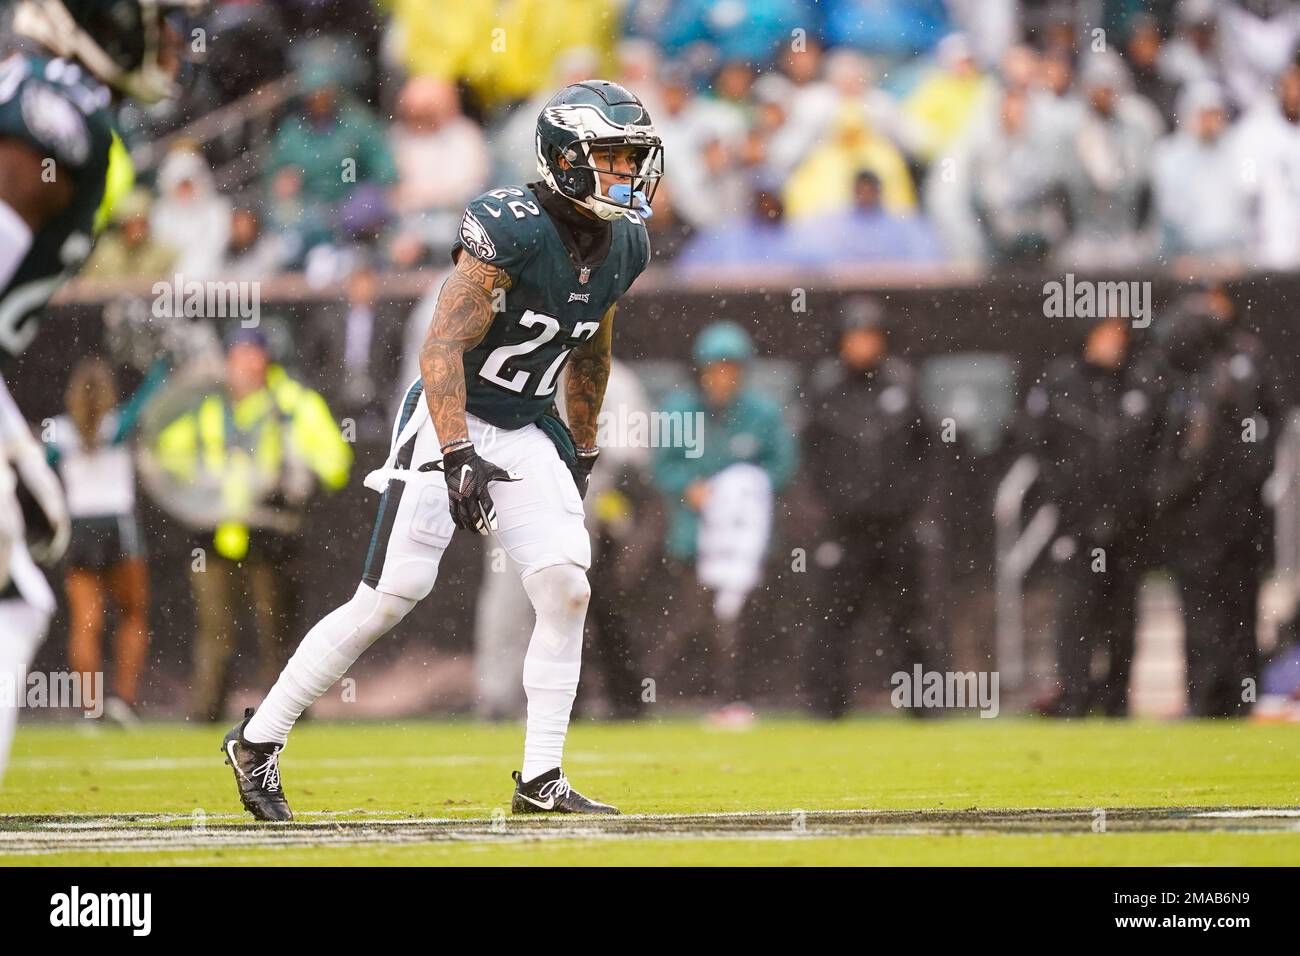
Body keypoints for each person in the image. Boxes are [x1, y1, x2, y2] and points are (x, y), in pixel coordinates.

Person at [221, 80, 662, 820]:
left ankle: (539, 778)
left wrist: (583, 448)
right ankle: (257, 741)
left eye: (633, 159)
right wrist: (455, 449)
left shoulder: (628, 242)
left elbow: (591, 348)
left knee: (566, 586)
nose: (627, 174)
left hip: (525, 424)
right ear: (564, 160)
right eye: (611, 158)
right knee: (389, 598)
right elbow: (442, 344)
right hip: (448, 413)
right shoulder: (511, 227)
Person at [0, 0, 202, 783]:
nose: (175, 44)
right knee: (18, 598)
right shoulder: (53, 112)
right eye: (156, 21)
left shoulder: (59, 102)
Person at [155, 329, 353, 722]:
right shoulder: (206, 404)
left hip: (272, 534)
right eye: (239, 356)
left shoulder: (293, 404)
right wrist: (196, 484)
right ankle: (205, 715)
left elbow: (336, 461)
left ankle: (287, 716)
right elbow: (165, 453)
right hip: (216, 534)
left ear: (267, 360)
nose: (246, 365)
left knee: (276, 636)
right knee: (215, 634)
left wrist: (302, 472)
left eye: (253, 355)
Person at [649, 322, 797, 722]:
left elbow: (782, 465)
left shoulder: (763, 413)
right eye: (715, 369)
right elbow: (663, 467)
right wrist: (690, 487)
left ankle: (734, 696)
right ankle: (668, 690)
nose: (722, 378)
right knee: (695, 616)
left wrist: (744, 488)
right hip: (693, 534)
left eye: (731, 369)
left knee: (739, 617)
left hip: (745, 542)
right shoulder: (679, 411)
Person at [801, 299, 941, 718]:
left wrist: (907, 503)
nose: (863, 345)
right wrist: (835, 505)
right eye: (855, 337)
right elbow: (812, 458)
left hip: (897, 527)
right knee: (833, 621)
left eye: (870, 337)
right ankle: (827, 708)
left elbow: (928, 451)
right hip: (846, 530)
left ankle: (922, 706)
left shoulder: (903, 386)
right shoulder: (825, 393)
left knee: (911, 620)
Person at [1022, 315, 1164, 717]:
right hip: (1076, 524)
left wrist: (1139, 501)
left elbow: (1159, 449)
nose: (1111, 343)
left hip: (1128, 524)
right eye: (1104, 334)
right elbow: (1038, 446)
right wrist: (1067, 498)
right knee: (1076, 614)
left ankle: (1117, 700)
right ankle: (1075, 700)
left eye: (1118, 335)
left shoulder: (1141, 385)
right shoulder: (1060, 385)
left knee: (1123, 617)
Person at [1154, 289, 1287, 716]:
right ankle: (1206, 697)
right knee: (1202, 607)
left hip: (1238, 510)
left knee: (1238, 604)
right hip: (1196, 512)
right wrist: (1170, 490)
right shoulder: (1178, 371)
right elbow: (1168, 444)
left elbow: (1272, 421)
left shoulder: (1245, 363)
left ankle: (1240, 695)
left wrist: (1254, 472)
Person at [47, 357, 168, 724]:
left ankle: (91, 706)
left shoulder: (59, 432)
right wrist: (160, 367)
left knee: (86, 619)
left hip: (79, 526)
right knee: (133, 614)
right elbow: (145, 400)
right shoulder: (118, 424)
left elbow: (43, 464)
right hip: (117, 524)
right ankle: (124, 700)